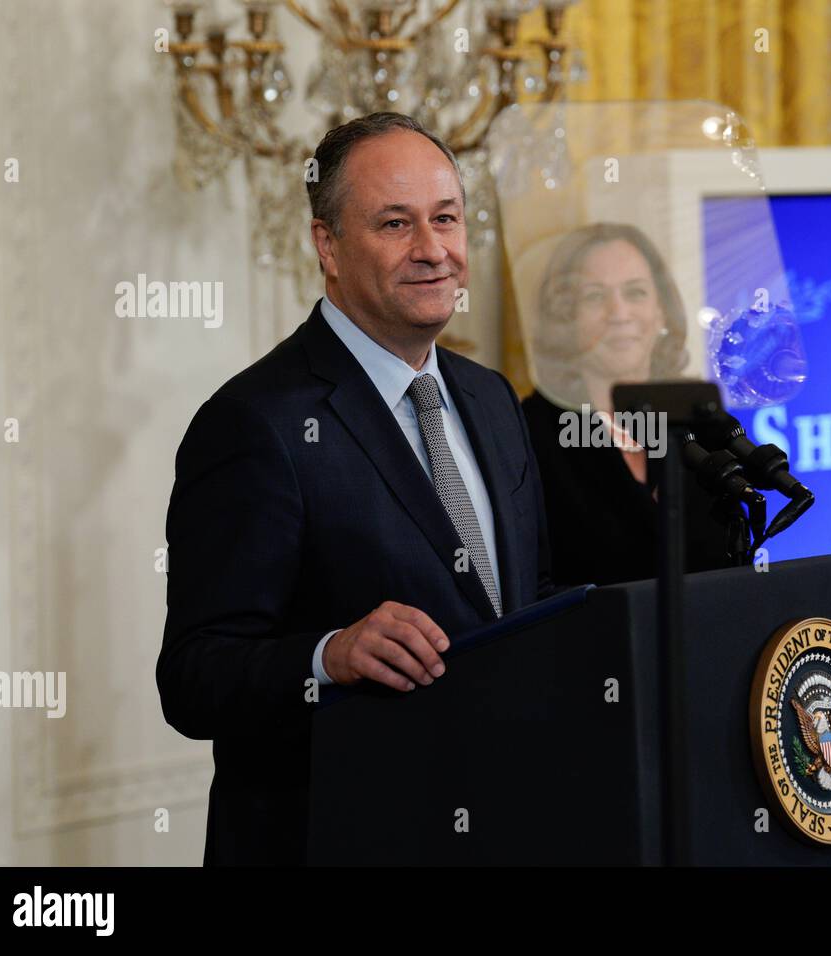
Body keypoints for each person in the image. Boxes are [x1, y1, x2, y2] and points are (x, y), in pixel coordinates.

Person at [157, 112, 551, 865]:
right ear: (327, 246)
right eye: (396, 224)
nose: (433, 250)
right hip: (332, 838)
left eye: (446, 219)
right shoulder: (253, 424)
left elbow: (531, 600)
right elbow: (193, 678)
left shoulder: (494, 399)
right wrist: (327, 655)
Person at [520, 222, 734, 586]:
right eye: (594, 296)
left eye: (635, 293)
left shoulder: (700, 416)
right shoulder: (527, 433)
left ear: (662, 312)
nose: (618, 314)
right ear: (565, 318)